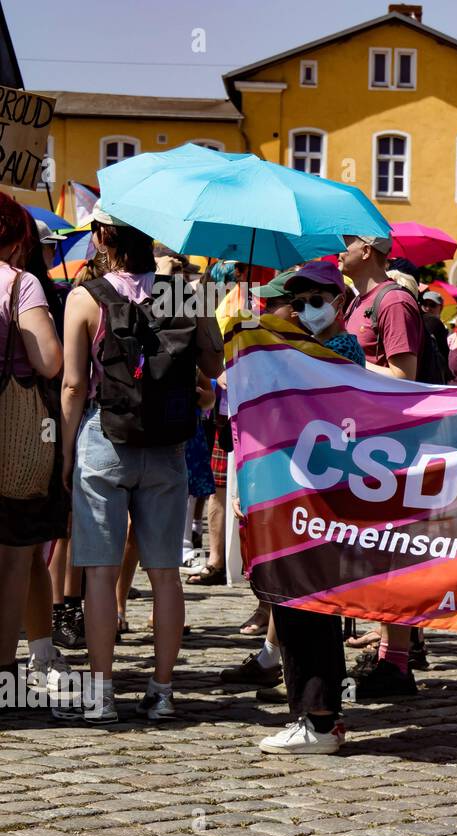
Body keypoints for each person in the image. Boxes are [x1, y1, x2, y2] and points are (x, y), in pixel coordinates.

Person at [57, 203, 224, 723]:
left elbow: (72, 385)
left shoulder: (85, 298)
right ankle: (162, 691)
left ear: (103, 237)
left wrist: (64, 455)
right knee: (166, 575)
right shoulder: (185, 293)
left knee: (101, 574)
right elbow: (215, 363)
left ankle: (102, 692)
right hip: (168, 446)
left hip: (104, 441)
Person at [232, 264, 358, 754]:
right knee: (293, 601)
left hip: (316, 495)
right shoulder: (291, 348)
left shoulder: (338, 350)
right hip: (291, 490)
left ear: (337, 301)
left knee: (307, 602)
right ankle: (313, 715)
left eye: (313, 300)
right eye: (296, 301)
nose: (306, 310)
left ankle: (320, 719)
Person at [339, 233, 420, 698]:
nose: (338, 249)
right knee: (374, 552)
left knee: (394, 555)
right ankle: (386, 656)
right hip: (361, 439)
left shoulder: (392, 303)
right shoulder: (356, 301)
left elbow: (405, 377)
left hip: (391, 444)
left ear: (367, 249)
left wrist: (350, 365)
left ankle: (396, 665)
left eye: (345, 242)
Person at [0, 197, 66, 707]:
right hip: (13, 440)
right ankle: (5, 680)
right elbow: (49, 361)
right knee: (14, 560)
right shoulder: (20, 283)